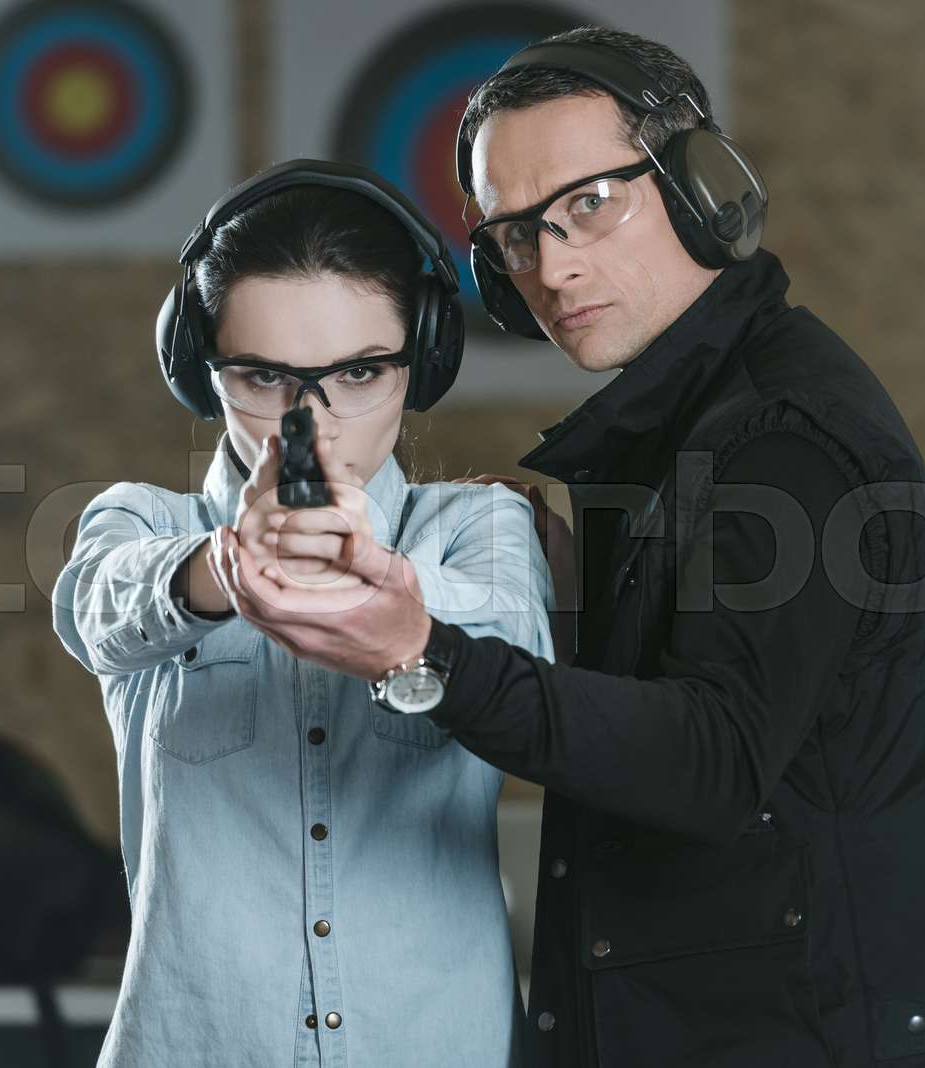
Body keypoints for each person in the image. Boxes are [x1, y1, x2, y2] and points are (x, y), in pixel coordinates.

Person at [210, 28, 925, 1068]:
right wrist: (588, 591)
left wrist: (420, 655)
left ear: (703, 188)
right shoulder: (685, 431)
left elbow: (712, 759)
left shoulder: (781, 437)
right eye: (517, 235)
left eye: (589, 205)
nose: (554, 265)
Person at [50, 160, 553, 1068]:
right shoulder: (143, 520)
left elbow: (521, 654)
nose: (311, 423)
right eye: (264, 377)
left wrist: (379, 578)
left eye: (360, 371)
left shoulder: (480, 525)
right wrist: (228, 565)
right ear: (203, 375)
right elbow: (98, 608)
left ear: (423, 359)